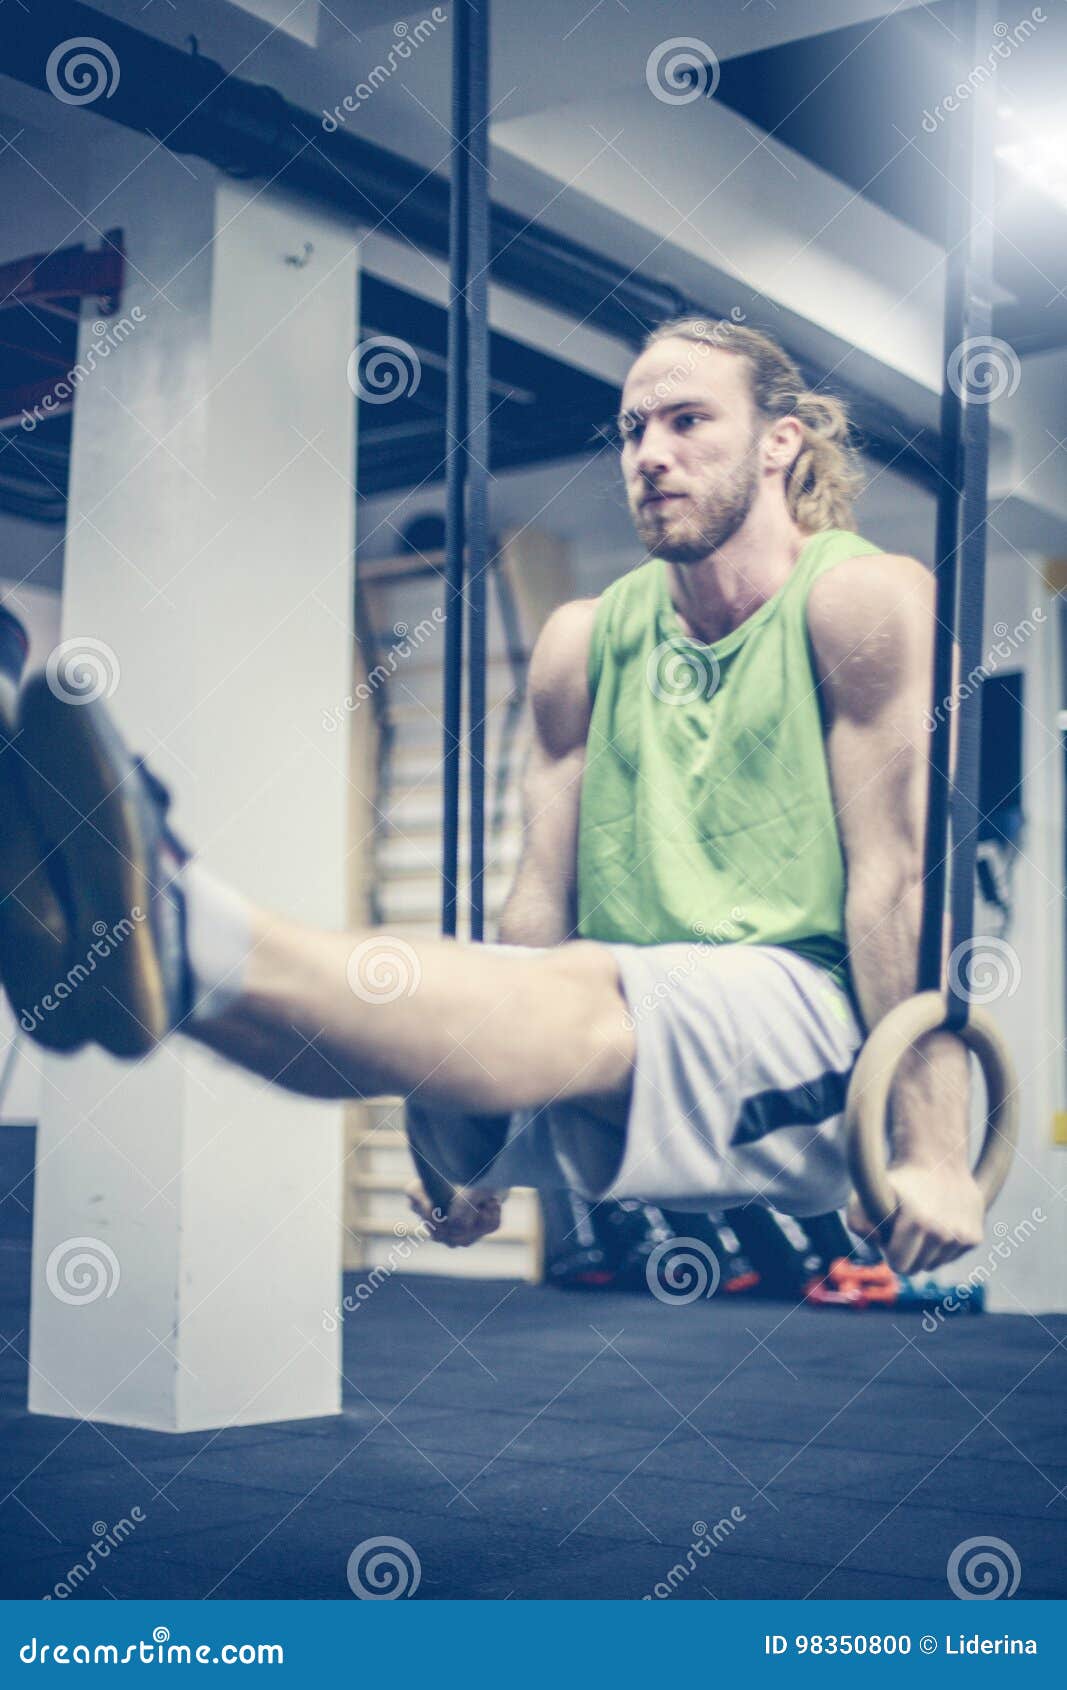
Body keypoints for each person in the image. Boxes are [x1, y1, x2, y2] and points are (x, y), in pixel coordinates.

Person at [0, 318, 982, 1276]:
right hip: (616, 1004)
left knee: (592, 999)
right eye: (633, 428)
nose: (648, 453)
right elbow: (536, 893)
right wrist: (477, 1109)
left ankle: (185, 916)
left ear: (778, 444)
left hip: (810, 1019)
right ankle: (163, 964)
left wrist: (931, 1143)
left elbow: (898, 882)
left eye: (687, 421)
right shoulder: (583, 639)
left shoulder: (858, 599)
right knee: (419, 1045)